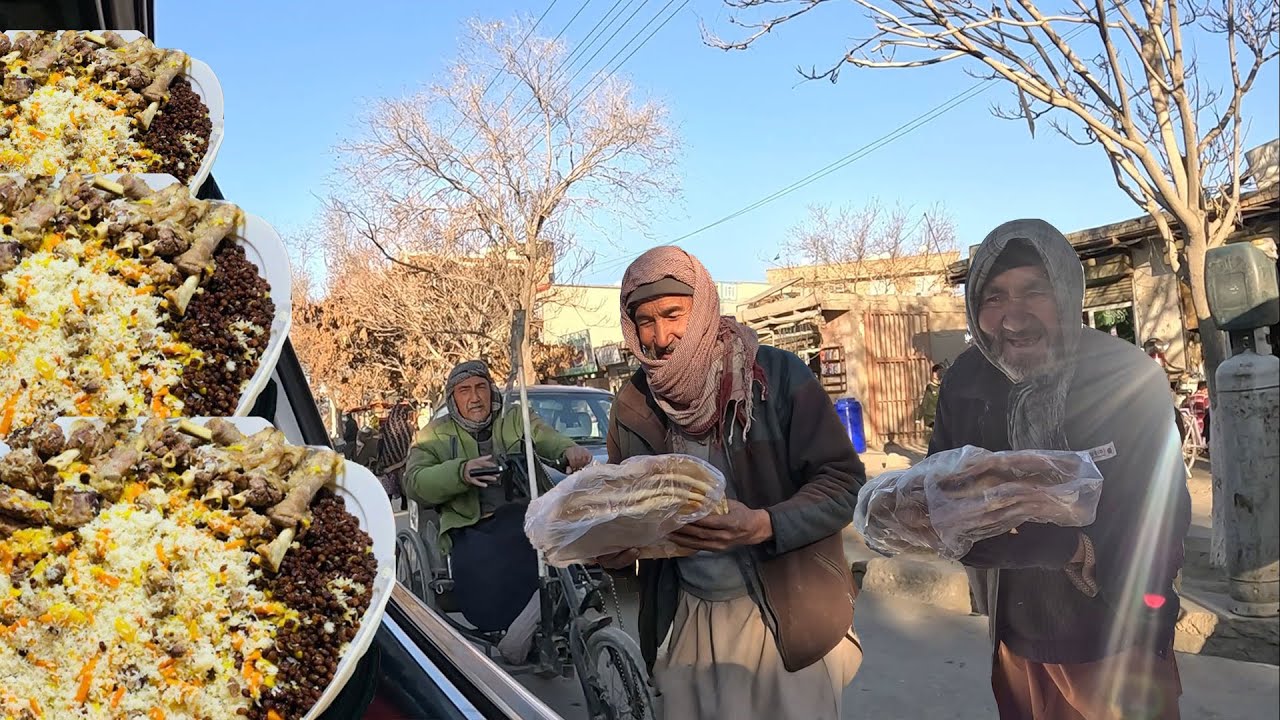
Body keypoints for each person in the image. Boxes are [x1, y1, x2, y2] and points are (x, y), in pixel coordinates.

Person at [929, 220, 1191, 719]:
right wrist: (939, 522)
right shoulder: (966, 379)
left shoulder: (1126, 375)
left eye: (1035, 291)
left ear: (1069, 295)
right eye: (995, 297)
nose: (1014, 318)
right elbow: (940, 481)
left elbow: (1164, 515)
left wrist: (1075, 546)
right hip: (1016, 628)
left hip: (1117, 631)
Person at [594, 247, 865, 720]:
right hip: (687, 621)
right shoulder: (633, 404)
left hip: (786, 617)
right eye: (646, 321)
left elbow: (842, 483)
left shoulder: (776, 377)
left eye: (674, 314)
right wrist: (612, 544)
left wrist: (764, 524)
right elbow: (625, 510)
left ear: (701, 307)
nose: (661, 336)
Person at [402, 361, 592, 639]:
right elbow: (414, 481)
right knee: (497, 562)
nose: (475, 397)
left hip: (522, 517)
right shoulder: (433, 434)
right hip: (469, 527)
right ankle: (523, 629)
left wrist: (569, 450)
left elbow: (546, 437)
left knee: (557, 539)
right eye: (464, 391)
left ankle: (552, 614)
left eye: (481, 388)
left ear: (491, 390)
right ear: (453, 398)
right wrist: (460, 472)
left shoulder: (514, 419)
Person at [375, 401, 416, 509]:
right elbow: (411, 441)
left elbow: (380, 442)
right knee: (401, 482)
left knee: (389, 483)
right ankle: (404, 504)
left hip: (387, 458)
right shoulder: (407, 427)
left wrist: (380, 457)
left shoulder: (386, 426)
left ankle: (387, 504)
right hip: (402, 460)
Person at [915, 363, 944, 435]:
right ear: (934, 374)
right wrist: (919, 418)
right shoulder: (930, 388)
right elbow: (925, 403)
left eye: (941, 372)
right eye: (938, 372)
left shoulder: (943, 386)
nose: (940, 374)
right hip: (932, 417)